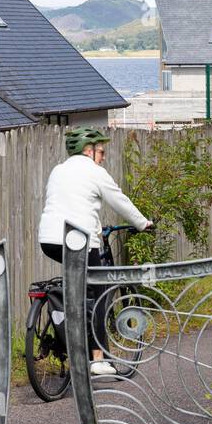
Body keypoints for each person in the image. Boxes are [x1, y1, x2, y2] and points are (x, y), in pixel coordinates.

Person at [38, 126, 153, 376]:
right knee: (99, 291)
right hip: (78, 241)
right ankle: (98, 359)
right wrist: (142, 223)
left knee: (77, 288)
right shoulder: (94, 171)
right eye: (101, 152)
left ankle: (68, 337)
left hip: (48, 240)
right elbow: (119, 200)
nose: (103, 157)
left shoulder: (57, 170)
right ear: (88, 152)